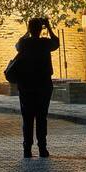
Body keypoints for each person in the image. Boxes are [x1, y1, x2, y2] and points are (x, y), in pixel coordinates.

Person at [13, 17, 59, 158]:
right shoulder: (44, 44)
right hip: (43, 85)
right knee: (41, 118)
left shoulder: (24, 43)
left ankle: (27, 149)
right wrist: (49, 27)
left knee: (27, 119)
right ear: (41, 29)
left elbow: (17, 46)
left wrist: (27, 32)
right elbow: (56, 43)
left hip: (26, 85)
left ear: (30, 29)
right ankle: (42, 149)